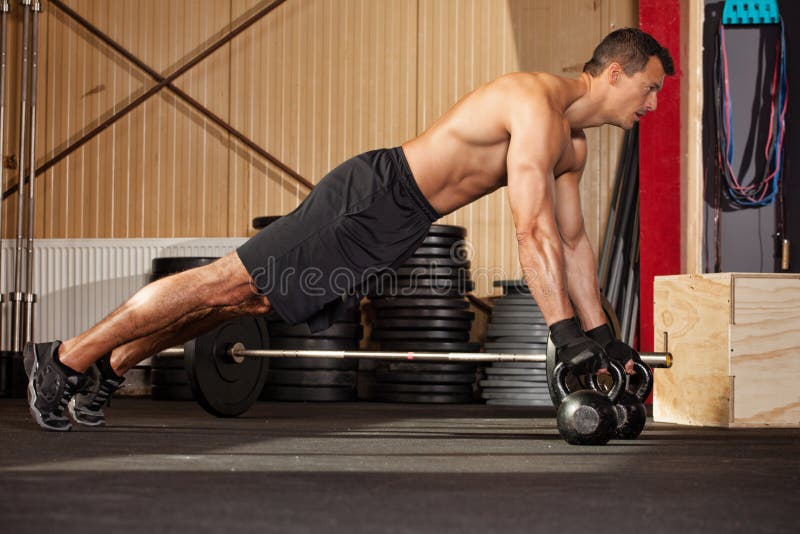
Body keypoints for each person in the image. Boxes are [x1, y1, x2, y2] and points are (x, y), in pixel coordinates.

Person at [25, 28, 674, 431]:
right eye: (647, 89)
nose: (649, 106)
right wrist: (563, 337)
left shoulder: (575, 145)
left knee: (248, 300)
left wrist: (602, 339)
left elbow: (572, 244)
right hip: (374, 194)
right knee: (224, 281)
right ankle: (63, 360)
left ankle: (114, 363)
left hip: (399, 224)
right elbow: (531, 230)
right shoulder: (534, 100)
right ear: (615, 70)